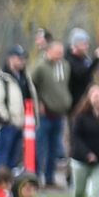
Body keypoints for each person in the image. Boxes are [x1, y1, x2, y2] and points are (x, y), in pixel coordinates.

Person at [0, 45, 34, 178]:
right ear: (11, 59)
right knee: (3, 155)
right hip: (7, 124)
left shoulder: (23, 77)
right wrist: (6, 118)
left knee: (14, 157)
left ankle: (9, 183)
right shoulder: (1, 78)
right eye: (20, 58)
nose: (23, 62)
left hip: (20, 123)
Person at [31, 38, 73, 186]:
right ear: (48, 52)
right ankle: (36, 178)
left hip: (59, 114)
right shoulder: (41, 68)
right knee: (40, 147)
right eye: (57, 53)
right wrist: (39, 103)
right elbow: (31, 86)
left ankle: (50, 179)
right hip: (45, 115)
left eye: (61, 53)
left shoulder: (65, 66)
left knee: (54, 148)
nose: (60, 55)